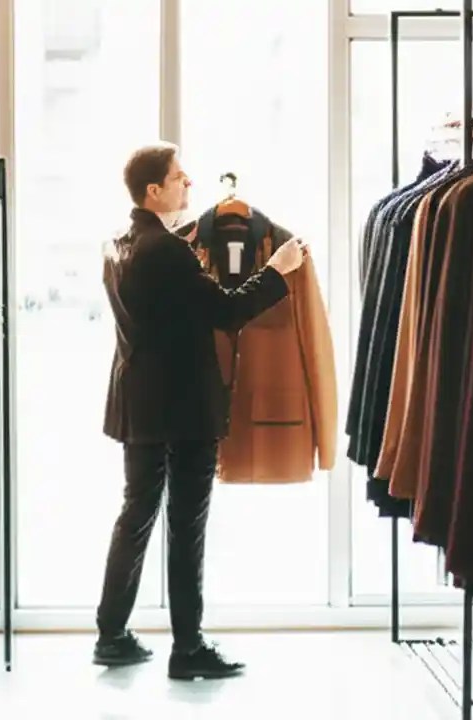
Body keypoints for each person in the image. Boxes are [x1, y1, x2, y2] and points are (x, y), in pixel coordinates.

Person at [95, 142, 309, 680]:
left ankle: (112, 635)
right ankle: (188, 648)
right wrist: (279, 269)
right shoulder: (166, 251)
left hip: (137, 402)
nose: (189, 182)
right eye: (178, 176)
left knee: (137, 514)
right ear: (154, 190)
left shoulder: (119, 244)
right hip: (182, 407)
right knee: (185, 524)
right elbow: (227, 311)